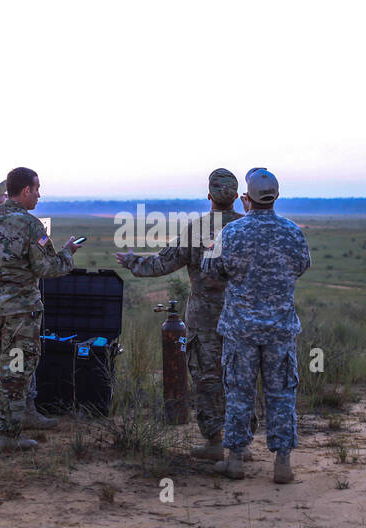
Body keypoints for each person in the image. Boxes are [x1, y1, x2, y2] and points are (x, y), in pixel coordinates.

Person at [115, 169, 253, 460]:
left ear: (209, 197)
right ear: (236, 197)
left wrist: (131, 262)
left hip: (205, 320)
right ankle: (240, 444)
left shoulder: (197, 229)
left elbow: (162, 264)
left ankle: (215, 442)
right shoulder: (248, 228)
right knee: (241, 378)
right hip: (243, 319)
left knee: (207, 378)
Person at [203, 168, 311, 483]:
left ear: (246, 199)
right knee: (282, 394)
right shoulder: (293, 232)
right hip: (279, 329)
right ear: (276, 197)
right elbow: (302, 266)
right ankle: (282, 463)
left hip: (240, 330)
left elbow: (210, 269)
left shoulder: (232, 232)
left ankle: (235, 460)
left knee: (238, 392)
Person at [0, 167, 79, 451]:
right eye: (37, 189)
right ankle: (9, 436)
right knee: (15, 373)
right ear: (26, 190)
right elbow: (46, 267)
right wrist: (67, 253)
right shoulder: (30, 225)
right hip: (19, 317)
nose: (39, 195)